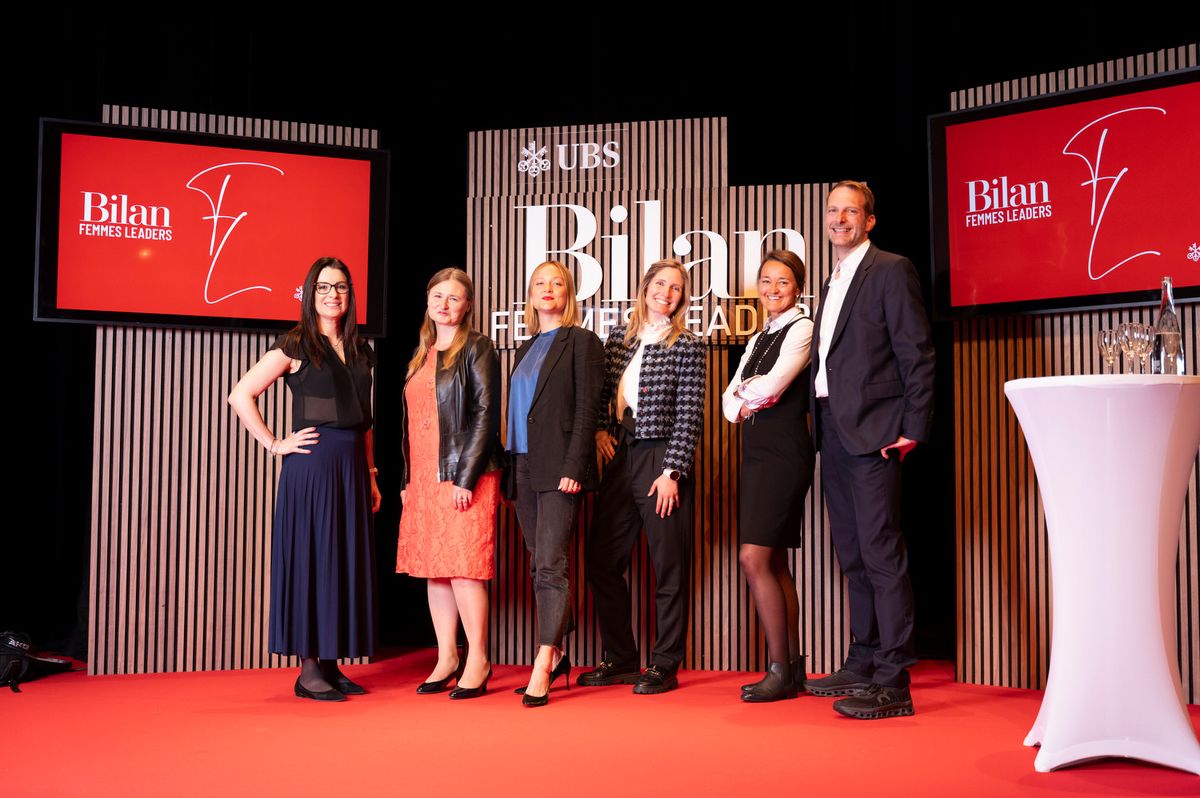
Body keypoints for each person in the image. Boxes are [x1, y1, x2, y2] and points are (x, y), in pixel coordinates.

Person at [804, 181, 935, 719]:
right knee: (853, 553)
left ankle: (893, 679)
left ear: (869, 220)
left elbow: (917, 354)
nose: (840, 218)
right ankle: (862, 659)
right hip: (832, 428)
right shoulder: (832, 278)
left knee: (881, 553)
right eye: (833, 210)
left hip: (876, 429)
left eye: (850, 211)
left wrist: (914, 426)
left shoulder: (890, 268)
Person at [228, 256, 381, 702]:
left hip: (352, 467)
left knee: (342, 561)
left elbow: (366, 423)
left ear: (350, 296)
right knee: (314, 558)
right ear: (310, 294)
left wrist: (371, 475)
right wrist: (275, 443)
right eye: (324, 287)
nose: (333, 294)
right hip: (312, 469)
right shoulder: (295, 344)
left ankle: (332, 664)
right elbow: (241, 394)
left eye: (341, 287)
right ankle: (308, 669)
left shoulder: (360, 349)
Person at [577, 259, 705, 695]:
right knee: (601, 560)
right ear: (646, 286)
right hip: (620, 454)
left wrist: (673, 471)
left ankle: (665, 665)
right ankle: (621, 657)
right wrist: (597, 429)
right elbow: (600, 392)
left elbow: (690, 415)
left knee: (668, 566)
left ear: (682, 298)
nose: (666, 292)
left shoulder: (687, 344)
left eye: (676, 288)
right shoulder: (619, 338)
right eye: (660, 283)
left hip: (661, 459)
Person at [396, 267, 502, 700]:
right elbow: (410, 426)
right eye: (437, 295)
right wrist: (406, 479)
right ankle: (447, 656)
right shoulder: (421, 354)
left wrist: (466, 476)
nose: (444, 304)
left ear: (468, 305)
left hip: (464, 474)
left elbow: (485, 415)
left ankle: (477, 657)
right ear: (427, 301)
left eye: (454, 297)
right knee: (434, 573)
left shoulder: (477, 347)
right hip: (423, 477)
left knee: (463, 569)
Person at [506, 261, 604, 707]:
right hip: (523, 464)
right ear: (530, 295)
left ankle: (543, 661)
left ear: (569, 294)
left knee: (551, 562)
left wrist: (574, 465)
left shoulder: (580, 341)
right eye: (540, 284)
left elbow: (587, 410)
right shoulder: (526, 347)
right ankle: (558, 648)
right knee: (536, 561)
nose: (548, 289)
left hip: (559, 465)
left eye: (557, 283)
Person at [721, 250, 815, 702]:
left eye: (783, 282)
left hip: (784, 454)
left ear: (797, 288)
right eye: (766, 281)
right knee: (774, 561)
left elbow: (773, 386)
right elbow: (728, 403)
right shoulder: (757, 337)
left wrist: (745, 395)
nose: (773, 289)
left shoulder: (802, 329)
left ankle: (779, 669)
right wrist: (743, 397)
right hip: (757, 454)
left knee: (753, 558)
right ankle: (791, 669)